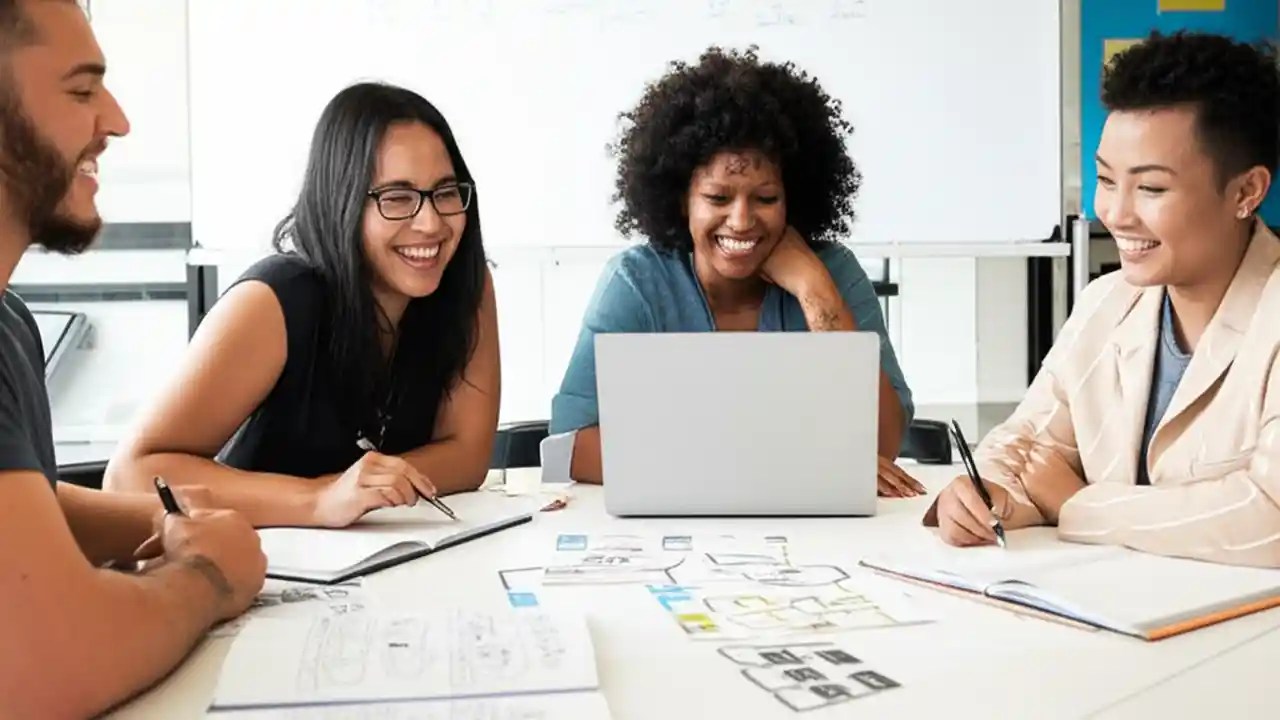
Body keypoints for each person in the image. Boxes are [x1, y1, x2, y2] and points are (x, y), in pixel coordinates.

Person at [0, 2, 266, 716]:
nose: (117, 121)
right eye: (82, 91)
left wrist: (155, 520)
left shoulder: (8, 320)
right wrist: (210, 574)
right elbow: (55, 662)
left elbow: (21, 505)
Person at [928, 30, 1280, 567]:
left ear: (1245, 192)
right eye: (1105, 179)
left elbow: (1269, 519)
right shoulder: (1106, 302)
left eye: (1152, 188)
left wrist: (1078, 505)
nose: (1115, 213)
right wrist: (988, 493)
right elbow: (1027, 445)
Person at [104, 82, 501, 529]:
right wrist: (318, 498)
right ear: (341, 201)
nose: (431, 224)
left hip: (383, 562)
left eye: (445, 193)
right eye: (397, 198)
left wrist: (369, 491)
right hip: (263, 565)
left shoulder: (463, 281)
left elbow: (467, 455)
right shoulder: (273, 301)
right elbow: (130, 476)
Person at [548, 47, 922, 497]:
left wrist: (814, 288)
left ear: (793, 198)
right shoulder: (636, 284)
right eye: (718, 198)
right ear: (681, 199)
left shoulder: (832, 272)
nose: (742, 221)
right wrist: (771, 463)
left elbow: (881, 444)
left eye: (765, 199)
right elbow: (568, 445)